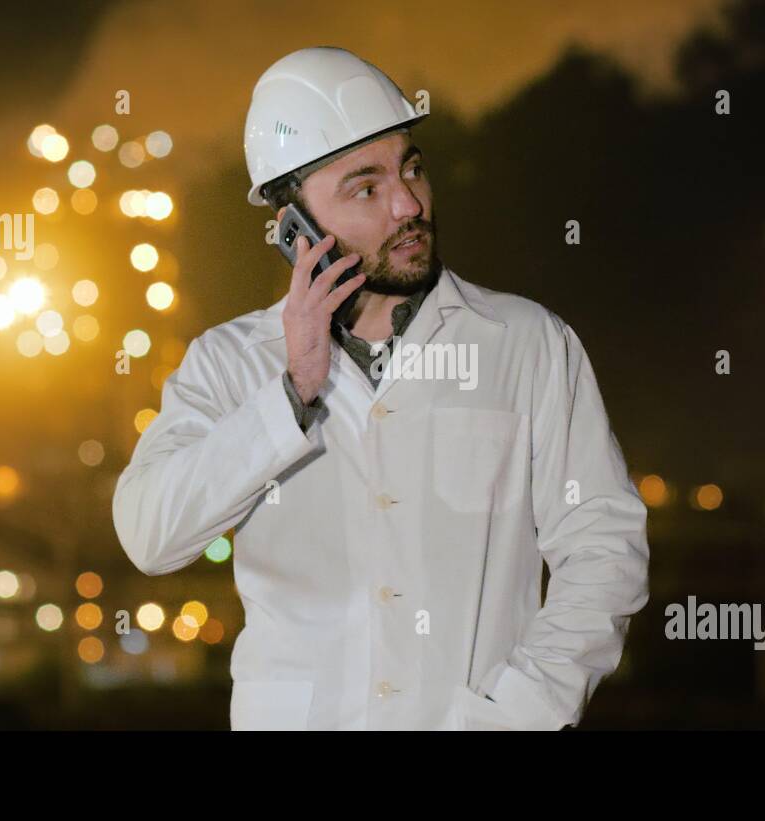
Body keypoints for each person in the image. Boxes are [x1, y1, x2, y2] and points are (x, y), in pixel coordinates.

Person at [112, 46, 650, 730]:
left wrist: (520, 711)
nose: (408, 203)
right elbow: (150, 535)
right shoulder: (227, 363)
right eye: (365, 187)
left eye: (412, 169)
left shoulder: (527, 343)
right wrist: (289, 396)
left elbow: (605, 549)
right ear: (292, 227)